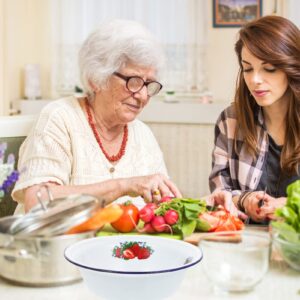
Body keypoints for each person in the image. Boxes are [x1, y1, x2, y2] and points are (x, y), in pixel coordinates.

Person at [12, 19, 181, 213]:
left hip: (120, 244)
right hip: (60, 242)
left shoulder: (143, 135)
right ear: (95, 79)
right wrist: (123, 185)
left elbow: (163, 208)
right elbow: (37, 202)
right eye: (133, 81)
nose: (142, 95)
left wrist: (203, 206)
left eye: (149, 84)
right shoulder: (59, 118)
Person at [208, 15, 300, 223]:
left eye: (269, 69)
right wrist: (244, 200)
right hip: (247, 242)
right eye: (247, 69)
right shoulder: (230, 121)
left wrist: (292, 206)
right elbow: (220, 191)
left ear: (292, 67)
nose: (255, 80)